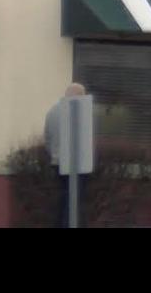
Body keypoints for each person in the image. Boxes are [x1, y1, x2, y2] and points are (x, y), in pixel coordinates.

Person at [44, 83, 88, 228]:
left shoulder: (51, 112)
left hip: (57, 163)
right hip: (76, 164)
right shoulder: (78, 112)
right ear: (77, 95)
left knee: (62, 200)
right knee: (73, 202)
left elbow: (47, 139)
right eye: (82, 95)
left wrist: (54, 155)